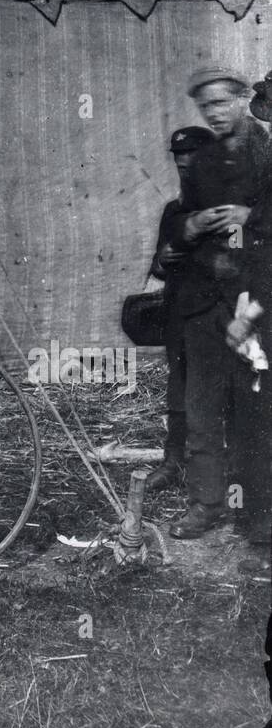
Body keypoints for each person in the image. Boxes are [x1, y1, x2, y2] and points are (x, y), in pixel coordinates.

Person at [168, 65, 272, 570]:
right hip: (203, 302)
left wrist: (252, 219)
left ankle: (258, 516)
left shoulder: (268, 153)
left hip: (254, 301)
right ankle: (205, 504)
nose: (213, 113)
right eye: (205, 105)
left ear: (242, 99)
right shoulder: (204, 159)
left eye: (222, 103)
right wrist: (192, 224)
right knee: (201, 407)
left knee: (256, 414)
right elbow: (181, 221)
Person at [144, 125, 215, 491]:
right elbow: (156, 268)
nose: (187, 174)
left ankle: (223, 470)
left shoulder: (232, 212)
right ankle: (173, 462)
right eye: (181, 168)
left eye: (195, 167)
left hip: (219, 315)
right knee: (178, 386)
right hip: (180, 314)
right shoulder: (174, 211)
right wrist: (164, 258)